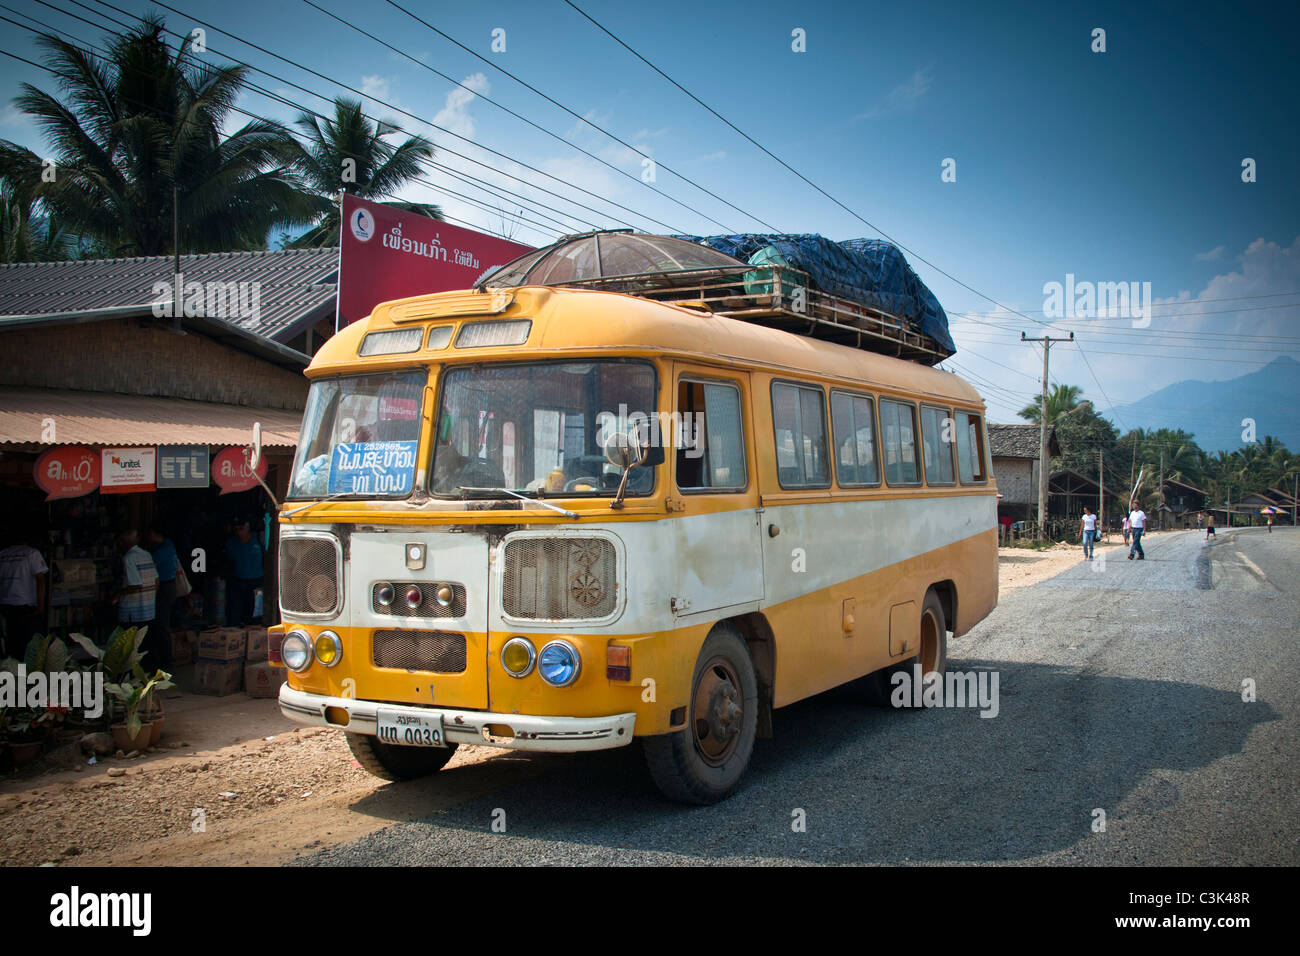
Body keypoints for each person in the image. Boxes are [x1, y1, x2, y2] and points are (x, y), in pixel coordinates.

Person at [114, 529, 167, 666]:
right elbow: (156, 580)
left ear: (122, 542)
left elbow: (135, 584)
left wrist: (117, 595)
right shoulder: (146, 555)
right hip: (148, 608)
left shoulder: (128, 558)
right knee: (146, 642)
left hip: (133, 610)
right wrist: (151, 598)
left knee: (131, 645)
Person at [0, 527, 47, 659]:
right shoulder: (32, 554)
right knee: (30, 649)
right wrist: (41, 607)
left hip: (5, 606)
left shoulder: (3, 554)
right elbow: (40, 581)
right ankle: (27, 677)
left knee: (11, 646)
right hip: (25, 608)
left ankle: (13, 675)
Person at [224, 518, 263, 626]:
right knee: (236, 613)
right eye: (236, 529)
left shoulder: (259, 538)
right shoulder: (231, 543)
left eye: (241, 528)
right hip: (237, 582)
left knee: (255, 614)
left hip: (256, 582)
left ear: (248, 526)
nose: (239, 532)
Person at [148, 527, 181, 632]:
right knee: (162, 620)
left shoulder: (164, 548)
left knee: (162, 621)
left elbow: (151, 567)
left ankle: (164, 647)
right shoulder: (168, 545)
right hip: (168, 585)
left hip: (165, 586)